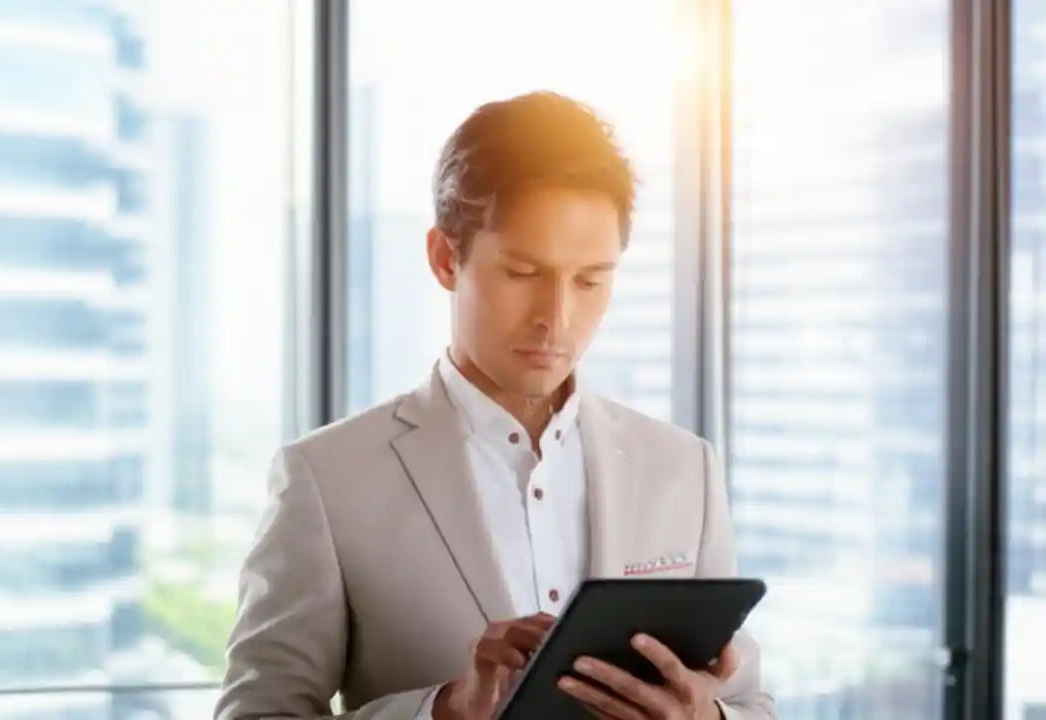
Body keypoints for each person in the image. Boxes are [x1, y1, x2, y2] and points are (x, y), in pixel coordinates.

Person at [215, 91, 775, 720]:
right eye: (523, 273)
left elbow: (750, 703)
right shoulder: (326, 479)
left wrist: (706, 718)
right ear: (444, 258)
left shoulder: (684, 468)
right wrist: (442, 711)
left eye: (590, 280)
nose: (557, 318)